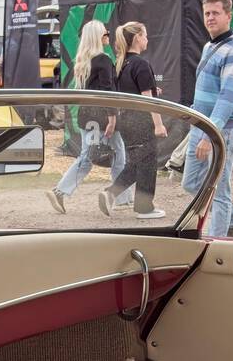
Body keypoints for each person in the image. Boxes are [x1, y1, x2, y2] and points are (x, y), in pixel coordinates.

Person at [181, 0, 233, 237]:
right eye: (207, 13)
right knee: (190, 182)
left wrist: (211, 134)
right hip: (201, 125)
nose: (210, 18)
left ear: (229, 16)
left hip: (222, 129)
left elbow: (227, 98)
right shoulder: (210, 45)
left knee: (219, 190)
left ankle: (217, 244)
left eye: (216, 13)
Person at [45, 20, 131, 214]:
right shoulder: (103, 59)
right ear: (98, 37)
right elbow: (107, 91)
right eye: (105, 33)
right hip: (102, 117)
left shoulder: (84, 61)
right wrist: (112, 117)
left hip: (87, 116)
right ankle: (120, 197)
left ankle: (120, 197)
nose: (108, 35)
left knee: (90, 157)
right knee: (115, 156)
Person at [99, 22, 169, 220]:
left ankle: (111, 193)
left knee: (138, 162)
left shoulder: (122, 65)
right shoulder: (141, 64)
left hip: (126, 121)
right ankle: (144, 208)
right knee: (147, 164)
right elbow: (148, 100)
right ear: (137, 37)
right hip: (141, 121)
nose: (147, 39)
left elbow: (134, 92)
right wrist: (158, 124)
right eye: (145, 35)